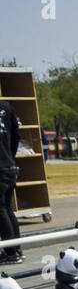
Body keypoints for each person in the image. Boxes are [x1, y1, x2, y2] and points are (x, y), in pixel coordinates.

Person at [0, 99, 23, 265]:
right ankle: (17, 249)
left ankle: (10, 253)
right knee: (7, 207)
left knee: (1, 209)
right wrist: (11, 156)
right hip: (9, 165)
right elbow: (16, 134)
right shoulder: (6, 106)